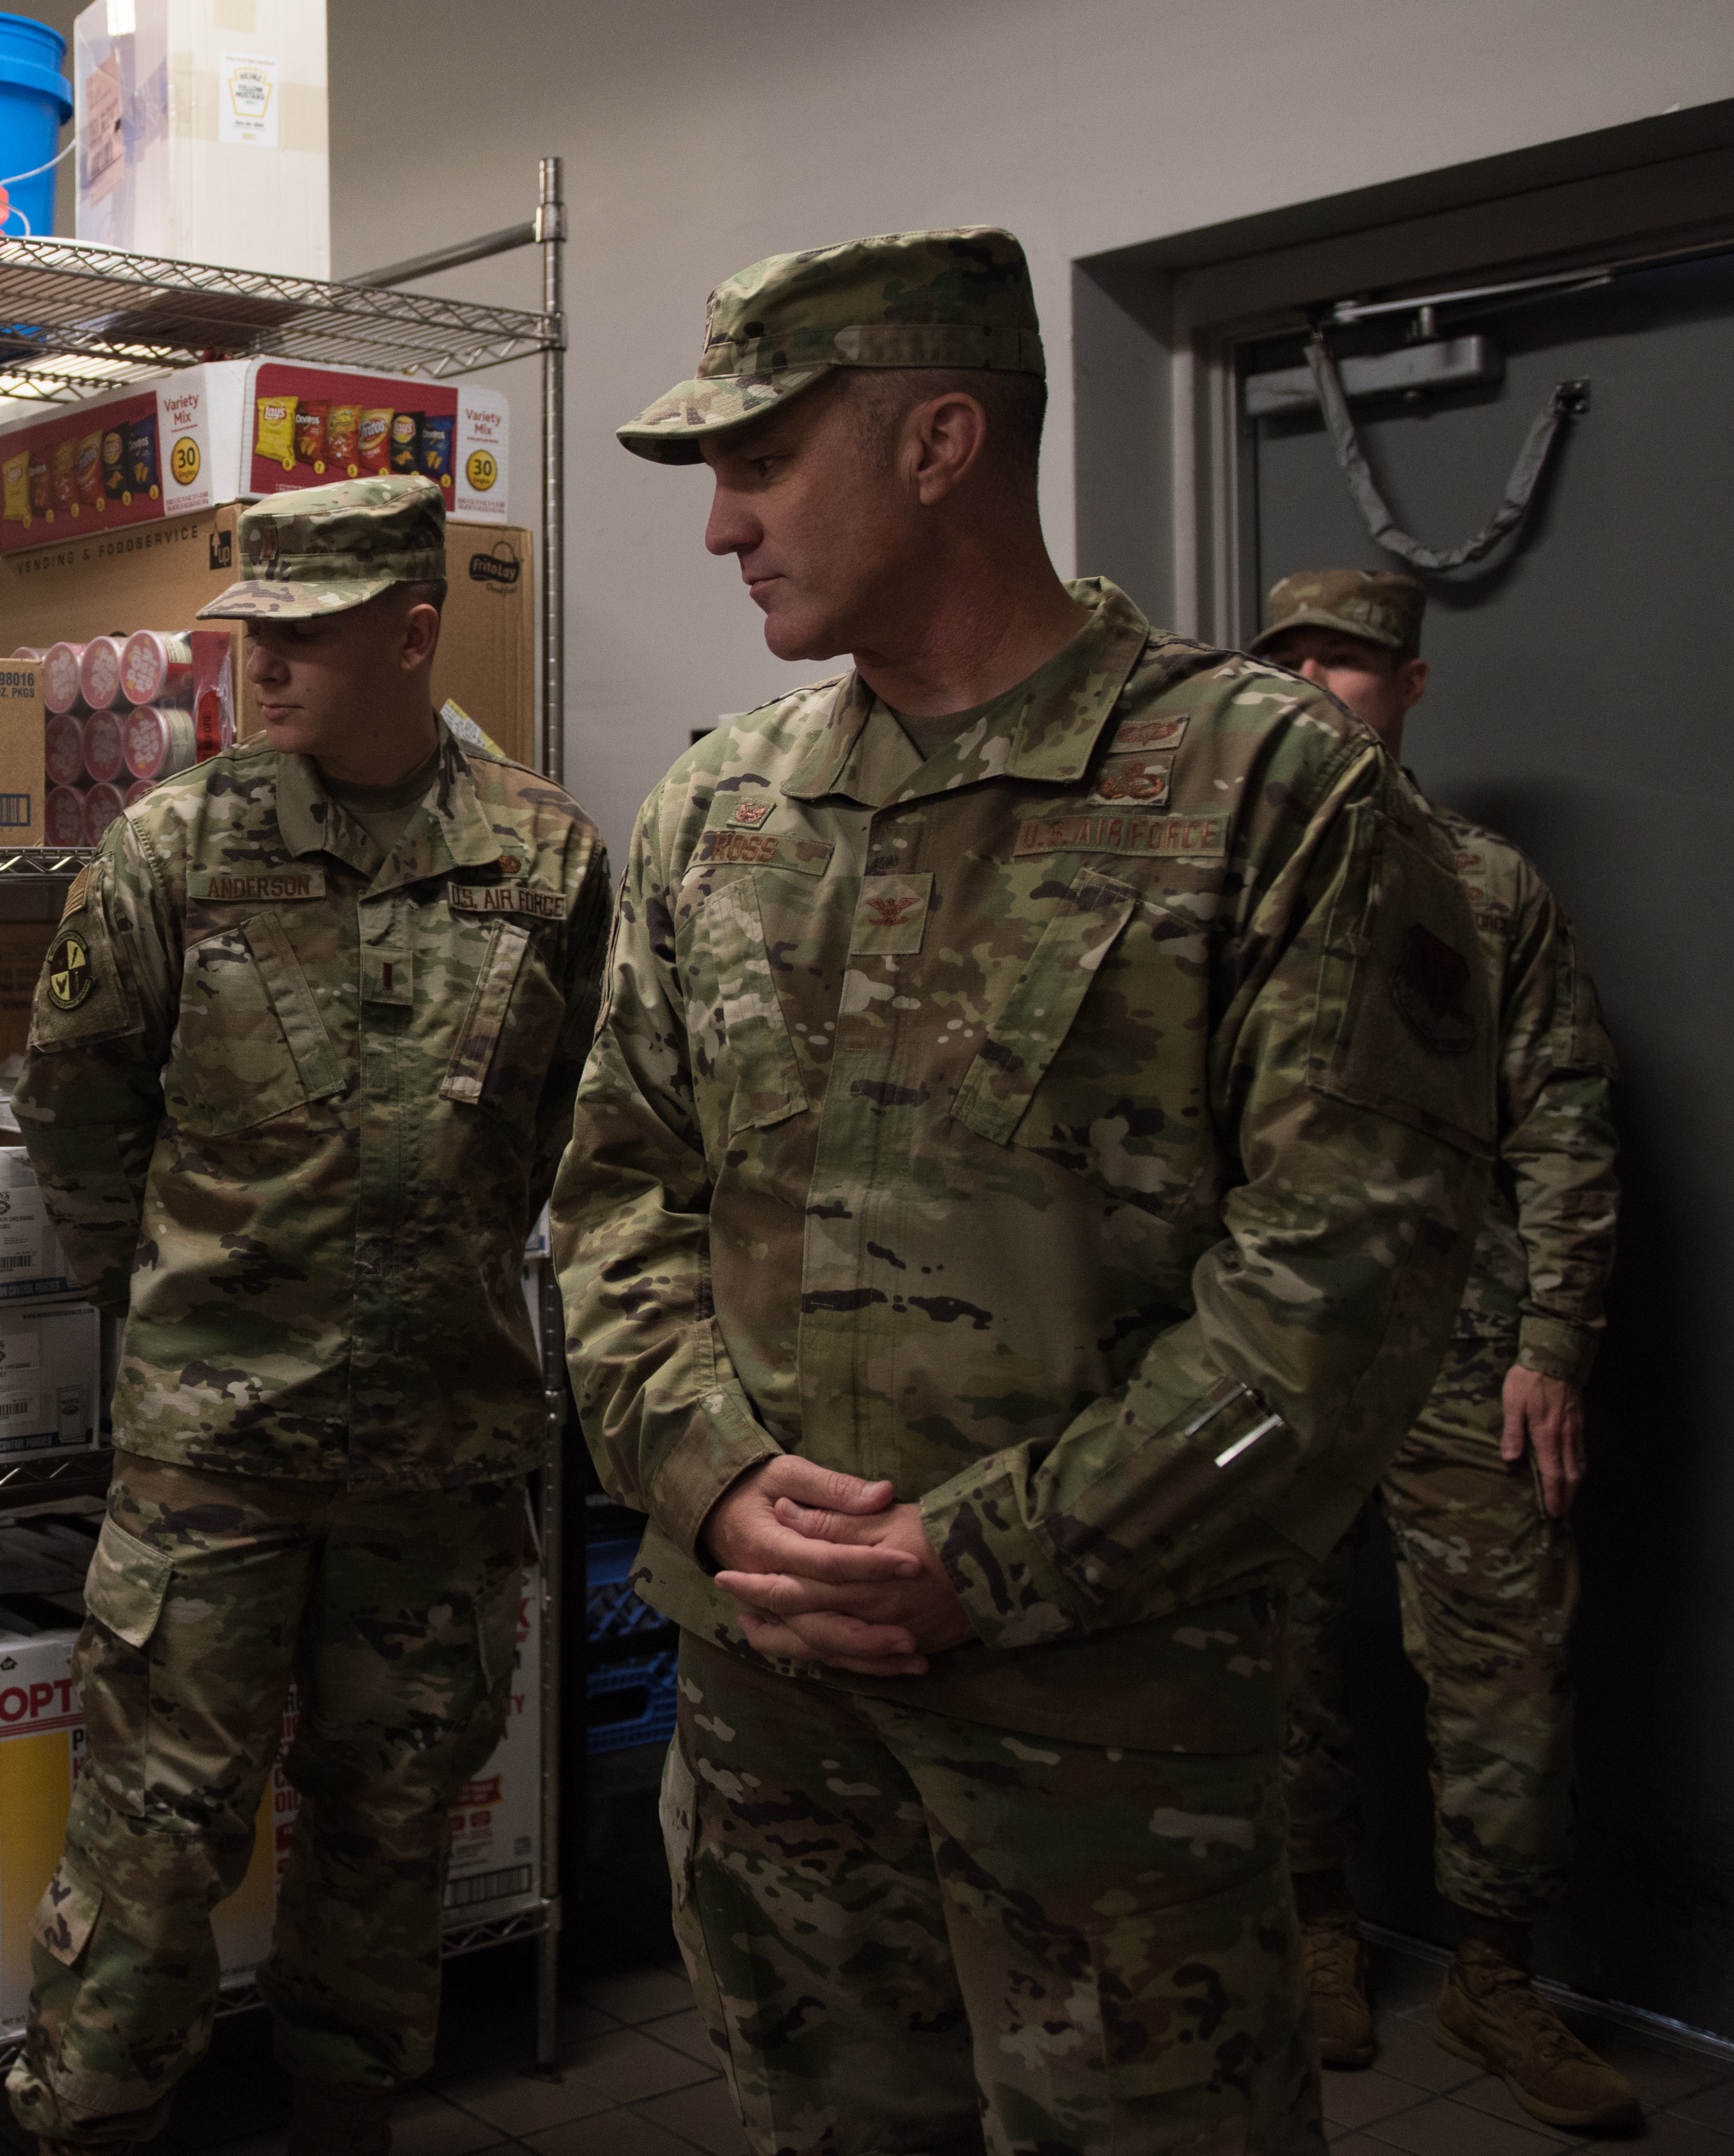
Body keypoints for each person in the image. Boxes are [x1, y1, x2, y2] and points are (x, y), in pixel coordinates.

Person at [552, 227, 1495, 2154]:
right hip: (767, 1727)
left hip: (1106, 1756)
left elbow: (1346, 1292)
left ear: (938, 442)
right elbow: (614, 1204)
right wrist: (712, 1475)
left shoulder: (1269, 795)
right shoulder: (717, 811)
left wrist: (978, 1564)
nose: (720, 527)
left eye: (756, 462)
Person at [7, 475, 608, 2154]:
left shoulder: (544, 856)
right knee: (153, 1833)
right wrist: (181, 1303)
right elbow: (74, 1106)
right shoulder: (173, 849)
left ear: (410, 636)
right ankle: (92, 2124)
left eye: (302, 640)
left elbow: (565, 1117)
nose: (255, 672)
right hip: (218, 1454)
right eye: (247, 637)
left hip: (438, 1448)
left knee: (394, 1824)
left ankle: (346, 2116)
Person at [1256, 568, 1632, 2129]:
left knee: (1502, 1680)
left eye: (1349, 663)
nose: (1315, 683)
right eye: (1290, 659)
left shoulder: (1484, 890)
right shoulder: (1224, 875)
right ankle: (1317, 1935)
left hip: (1463, 1355)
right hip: (1265, 1356)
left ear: (1408, 689)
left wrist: (1553, 1333)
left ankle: (1492, 1980)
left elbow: (1560, 1113)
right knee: (1275, 1663)